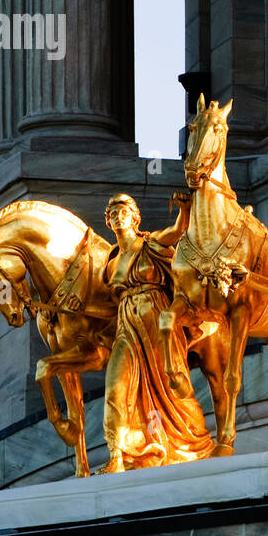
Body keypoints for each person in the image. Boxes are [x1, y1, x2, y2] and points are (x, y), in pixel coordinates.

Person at [99, 193, 214, 473]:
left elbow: (177, 232)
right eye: (112, 214)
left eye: (123, 212)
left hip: (157, 319)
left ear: (135, 218)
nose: (117, 217)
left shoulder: (149, 243)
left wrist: (185, 207)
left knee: (169, 383)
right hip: (127, 325)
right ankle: (118, 453)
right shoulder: (111, 261)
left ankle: (192, 442)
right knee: (116, 386)